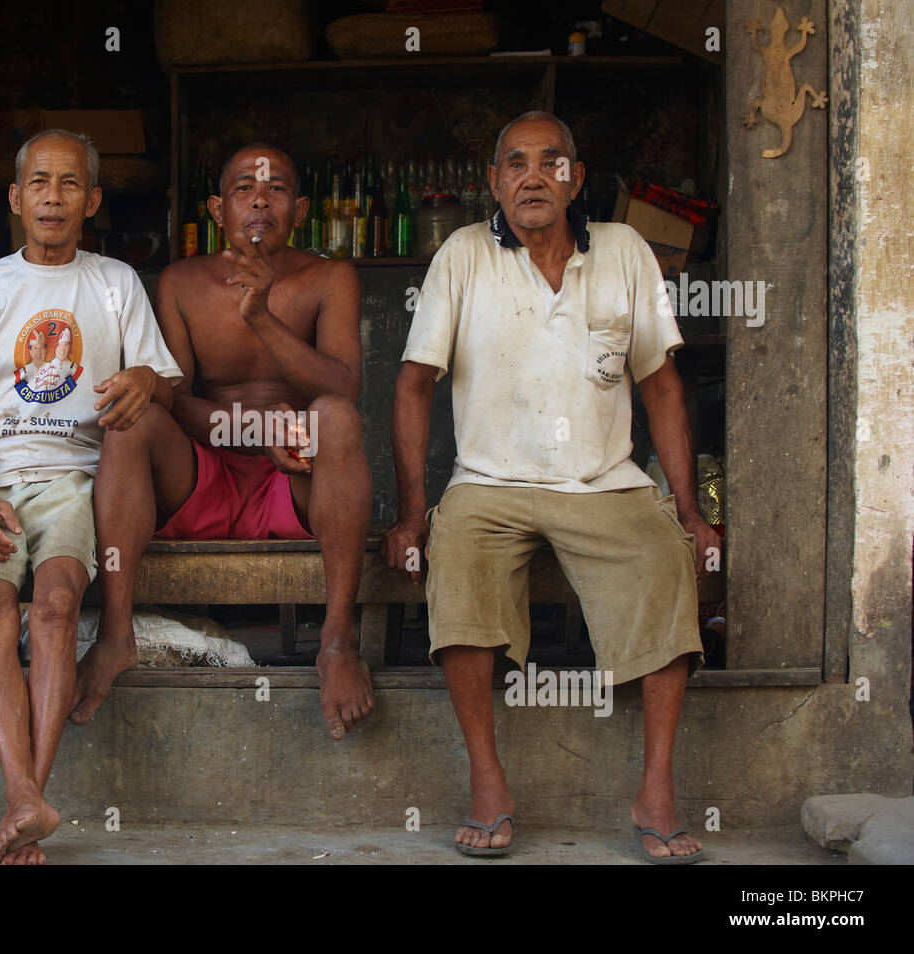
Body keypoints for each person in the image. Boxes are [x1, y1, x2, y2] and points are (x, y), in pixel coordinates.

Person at [384, 111, 720, 863]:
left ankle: (656, 789)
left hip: (605, 485)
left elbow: (661, 387)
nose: (533, 177)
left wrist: (692, 514)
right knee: (460, 568)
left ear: (575, 176)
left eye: (550, 162)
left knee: (667, 563)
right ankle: (488, 780)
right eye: (516, 164)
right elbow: (413, 386)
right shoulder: (463, 255)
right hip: (488, 484)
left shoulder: (626, 250)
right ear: (494, 182)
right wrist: (414, 514)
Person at [0, 129, 182, 865]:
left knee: (59, 601)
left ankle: (27, 800)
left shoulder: (116, 283)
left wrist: (145, 382)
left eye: (70, 184)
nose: (52, 196)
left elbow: (160, 378)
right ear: (15, 198)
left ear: (92, 200)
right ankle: (25, 798)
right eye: (38, 182)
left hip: (74, 481)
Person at [69, 143, 376, 741]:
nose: (260, 200)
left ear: (301, 208)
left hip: (295, 481)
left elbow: (344, 385)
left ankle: (337, 642)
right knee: (132, 416)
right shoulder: (181, 282)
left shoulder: (330, 277)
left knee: (336, 416)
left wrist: (261, 314)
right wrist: (256, 433)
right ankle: (115, 634)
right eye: (243, 189)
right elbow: (172, 396)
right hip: (204, 475)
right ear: (217, 209)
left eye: (277, 189)